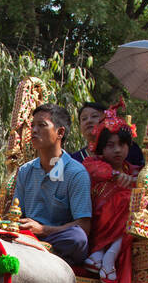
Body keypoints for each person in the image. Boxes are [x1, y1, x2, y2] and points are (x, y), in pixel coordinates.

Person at [12, 103, 92, 263]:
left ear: (60, 132)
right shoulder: (25, 171)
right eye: (32, 125)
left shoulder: (75, 173)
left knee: (77, 238)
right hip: (28, 236)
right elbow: (16, 214)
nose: (34, 130)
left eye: (41, 125)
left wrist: (43, 230)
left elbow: (84, 226)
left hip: (59, 239)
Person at [81, 115, 139, 283]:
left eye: (121, 145)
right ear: (101, 148)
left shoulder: (134, 170)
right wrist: (117, 176)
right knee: (126, 200)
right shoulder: (94, 163)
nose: (117, 150)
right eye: (110, 145)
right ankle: (101, 252)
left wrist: (134, 180)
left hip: (125, 223)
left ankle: (108, 256)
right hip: (99, 220)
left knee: (135, 206)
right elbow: (94, 170)